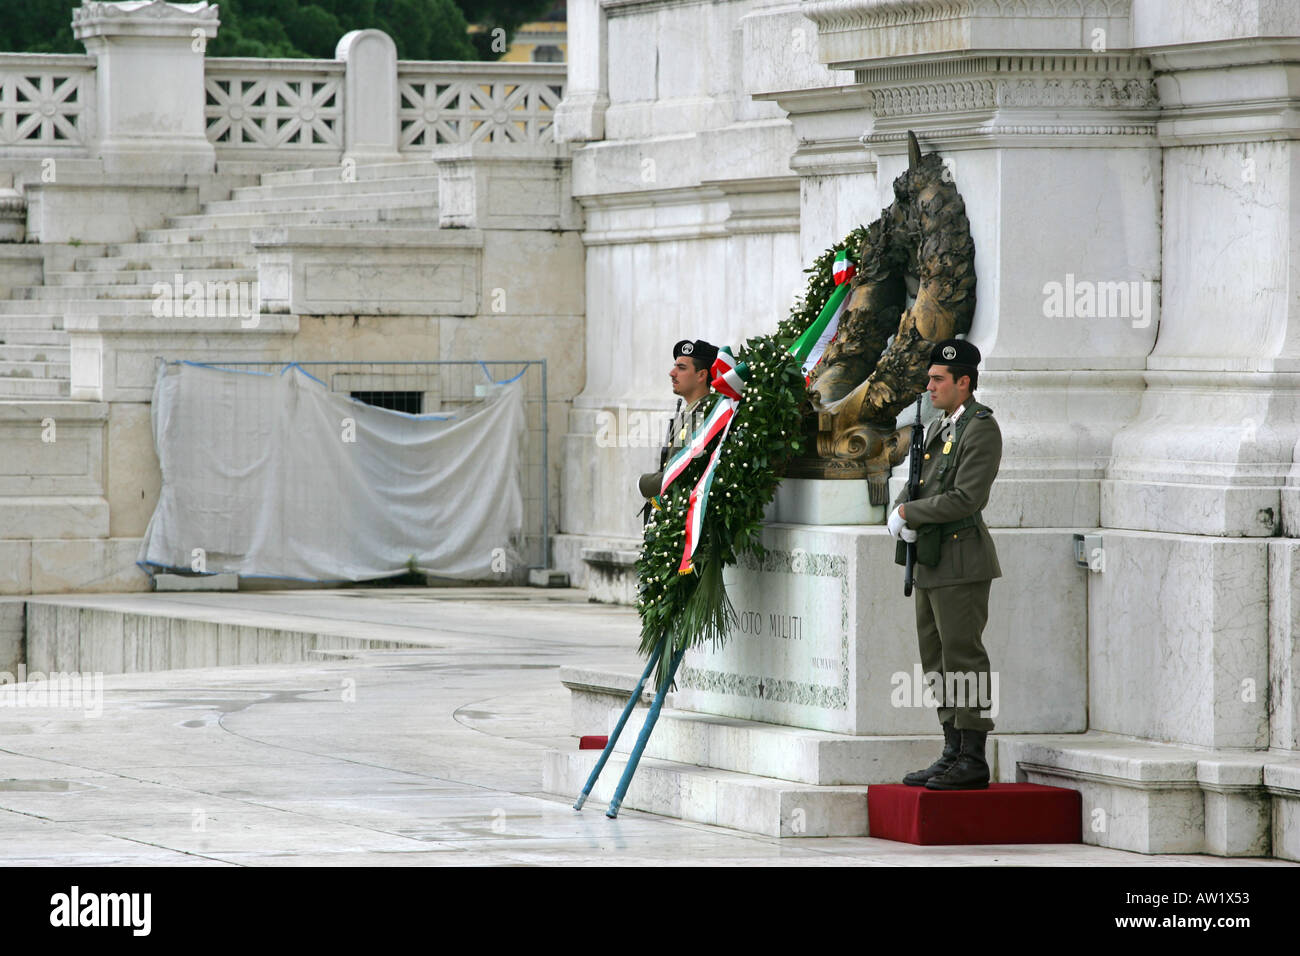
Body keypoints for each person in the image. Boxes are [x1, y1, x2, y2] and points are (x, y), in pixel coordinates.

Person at [888, 338, 1002, 790]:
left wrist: (909, 515)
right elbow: (919, 481)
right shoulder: (939, 425)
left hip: (962, 560)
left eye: (938, 379)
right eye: (930, 378)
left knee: (963, 658)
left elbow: (966, 497)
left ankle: (973, 757)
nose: (929, 386)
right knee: (935, 659)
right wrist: (900, 507)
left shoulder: (980, 428)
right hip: (932, 561)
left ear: (964, 382)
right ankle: (951, 750)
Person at [637, 339, 719, 510]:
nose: (672, 373)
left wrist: (642, 483)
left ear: (701, 375)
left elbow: (680, 473)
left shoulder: (707, 415)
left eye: (681, 368)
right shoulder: (691, 412)